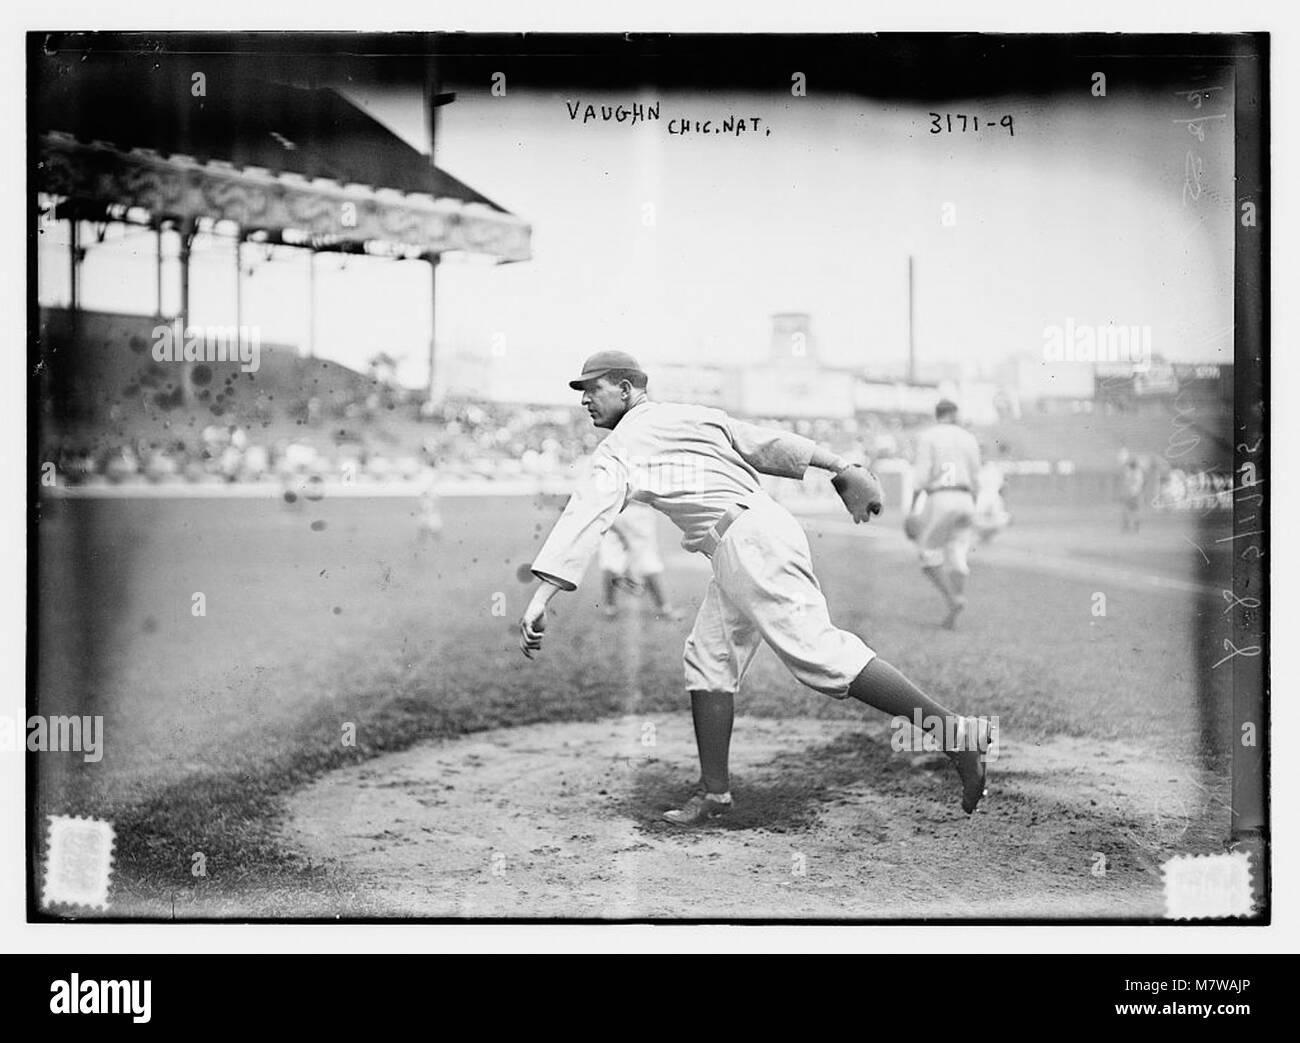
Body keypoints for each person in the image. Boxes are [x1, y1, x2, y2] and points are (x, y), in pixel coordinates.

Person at [519, 351, 991, 825]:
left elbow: (585, 516)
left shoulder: (619, 449)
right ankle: (714, 793)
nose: (585, 401)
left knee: (819, 654)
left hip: (748, 544)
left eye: (593, 389)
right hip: (749, 537)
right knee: (709, 658)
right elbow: (765, 443)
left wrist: (541, 598)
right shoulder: (690, 414)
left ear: (625, 388)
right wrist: (841, 467)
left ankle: (954, 733)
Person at [907, 399, 981, 630]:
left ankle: (953, 598)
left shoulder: (929, 436)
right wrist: (972, 503)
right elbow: (976, 475)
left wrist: (912, 509)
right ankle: (955, 608)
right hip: (966, 498)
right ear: (954, 414)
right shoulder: (968, 437)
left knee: (928, 554)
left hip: (941, 497)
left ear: (938, 414)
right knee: (957, 554)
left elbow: (920, 475)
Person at [598, 500, 682, 620]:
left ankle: (664, 608)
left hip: (636, 509)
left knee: (648, 562)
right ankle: (610, 608)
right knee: (612, 562)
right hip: (619, 508)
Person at [1121, 457, 1145, 533]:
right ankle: (1135, 527)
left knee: (1127, 510)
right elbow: (1140, 483)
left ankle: (1127, 526)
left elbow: (1127, 482)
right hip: (1136, 493)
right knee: (1136, 511)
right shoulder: (1139, 472)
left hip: (1130, 493)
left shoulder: (1128, 472)